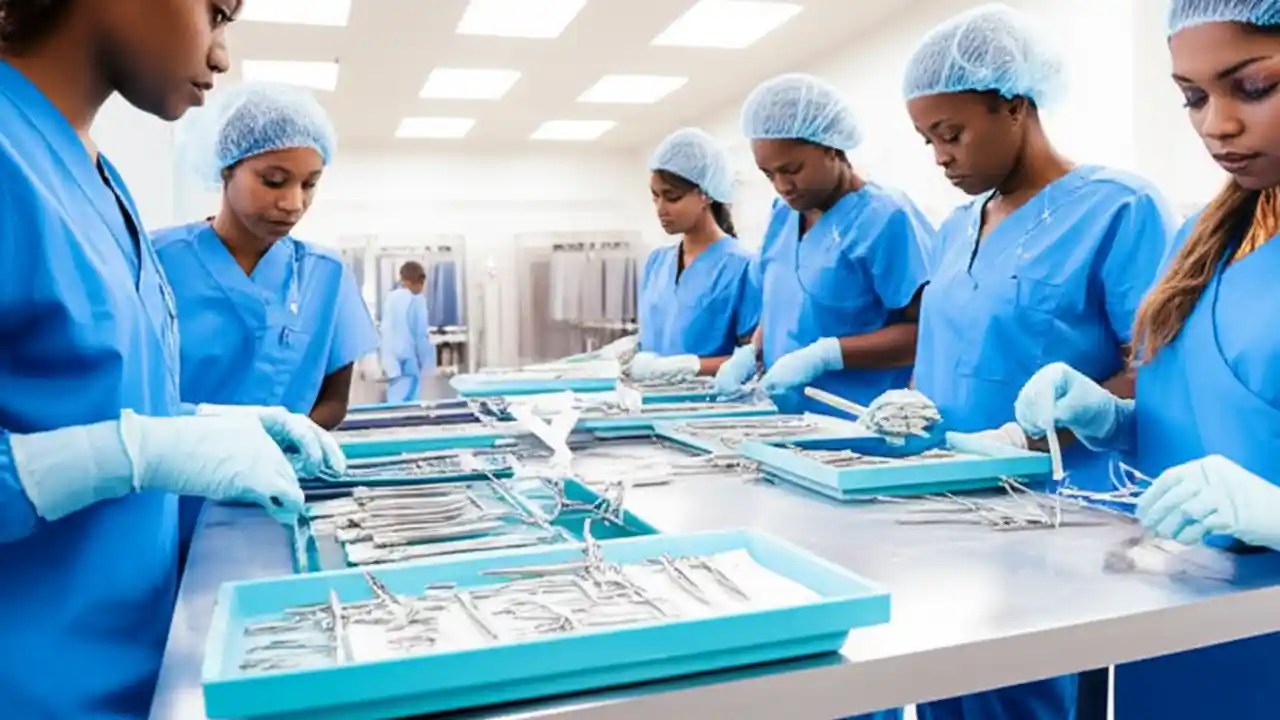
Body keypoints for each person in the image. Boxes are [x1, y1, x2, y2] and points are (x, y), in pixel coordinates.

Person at [0, 1, 338, 717]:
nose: (221, 55)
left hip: (141, 660)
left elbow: (103, 398)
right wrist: (135, 452)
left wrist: (215, 423)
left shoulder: (99, 178)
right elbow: (123, 441)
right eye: (216, 12)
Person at [892, 6, 1180, 720]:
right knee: (940, 689)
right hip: (941, 508)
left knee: (1023, 696)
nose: (940, 156)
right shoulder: (956, 226)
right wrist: (909, 406)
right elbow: (944, 352)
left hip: (1055, 517)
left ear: (1014, 105)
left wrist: (1038, 429)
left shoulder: (1119, 207)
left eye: (952, 133)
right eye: (927, 140)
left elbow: (1157, 371)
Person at [1015, 2, 1280, 717]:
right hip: (1173, 624)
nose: (1214, 124)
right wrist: (1112, 419)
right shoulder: (1207, 232)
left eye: (1254, 87)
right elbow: (1213, 417)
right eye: (1192, 96)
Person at [154, 81, 376, 564]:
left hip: (274, 495)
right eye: (274, 181)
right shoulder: (157, 262)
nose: (294, 202)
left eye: (310, 183)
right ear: (226, 168)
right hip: (167, 495)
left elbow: (334, 399)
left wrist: (280, 452)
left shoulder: (326, 274)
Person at [715, 73, 933, 418]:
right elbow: (783, 307)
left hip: (857, 427)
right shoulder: (783, 215)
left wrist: (827, 355)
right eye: (768, 174)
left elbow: (926, 333)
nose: (782, 186)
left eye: (792, 169)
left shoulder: (885, 218)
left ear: (831, 146)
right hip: (782, 421)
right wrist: (753, 351)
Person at [632, 127, 759, 383]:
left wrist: (688, 366)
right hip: (647, 403)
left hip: (710, 410)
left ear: (706, 194)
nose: (660, 208)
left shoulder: (743, 267)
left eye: (672, 197)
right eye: (655, 197)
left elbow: (754, 359)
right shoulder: (657, 263)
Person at [380, 260, 436, 403]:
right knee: (410, 403)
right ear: (418, 282)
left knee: (394, 402)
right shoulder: (417, 301)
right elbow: (420, 335)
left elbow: (385, 331)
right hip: (409, 360)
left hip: (391, 361)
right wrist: (425, 361)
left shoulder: (390, 299)